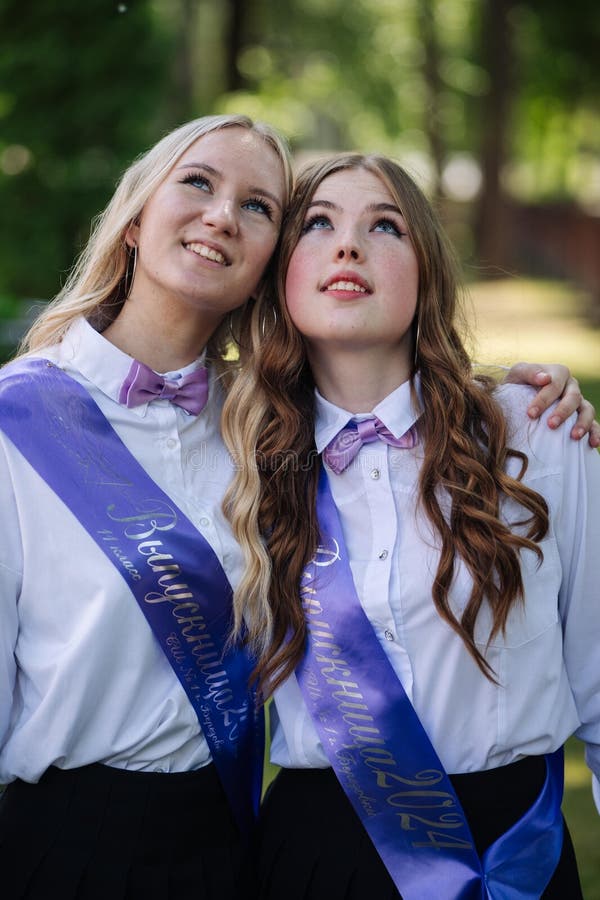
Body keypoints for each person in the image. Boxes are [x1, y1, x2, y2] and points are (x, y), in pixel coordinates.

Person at [0, 114, 594, 900]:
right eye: (317, 223)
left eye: (259, 206)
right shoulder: (218, 450)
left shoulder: (523, 439)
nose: (348, 245)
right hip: (215, 850)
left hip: (477, 849)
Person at [222, 153, 600, 899]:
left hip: (516, 856)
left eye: (384, 226)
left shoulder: (537, 433)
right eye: (318, 224)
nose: (348, 245)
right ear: (283, 274)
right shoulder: (238, 459)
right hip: (322, 858)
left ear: (426, 269)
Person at [0, 113, 293, 900]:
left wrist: (526, 393)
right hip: (61, 848)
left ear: (269, 263)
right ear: (134, 220)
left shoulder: (270, 429)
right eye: (198, 182)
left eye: (258, 206)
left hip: (229, 841)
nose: (222, 215)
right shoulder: (14, 423)